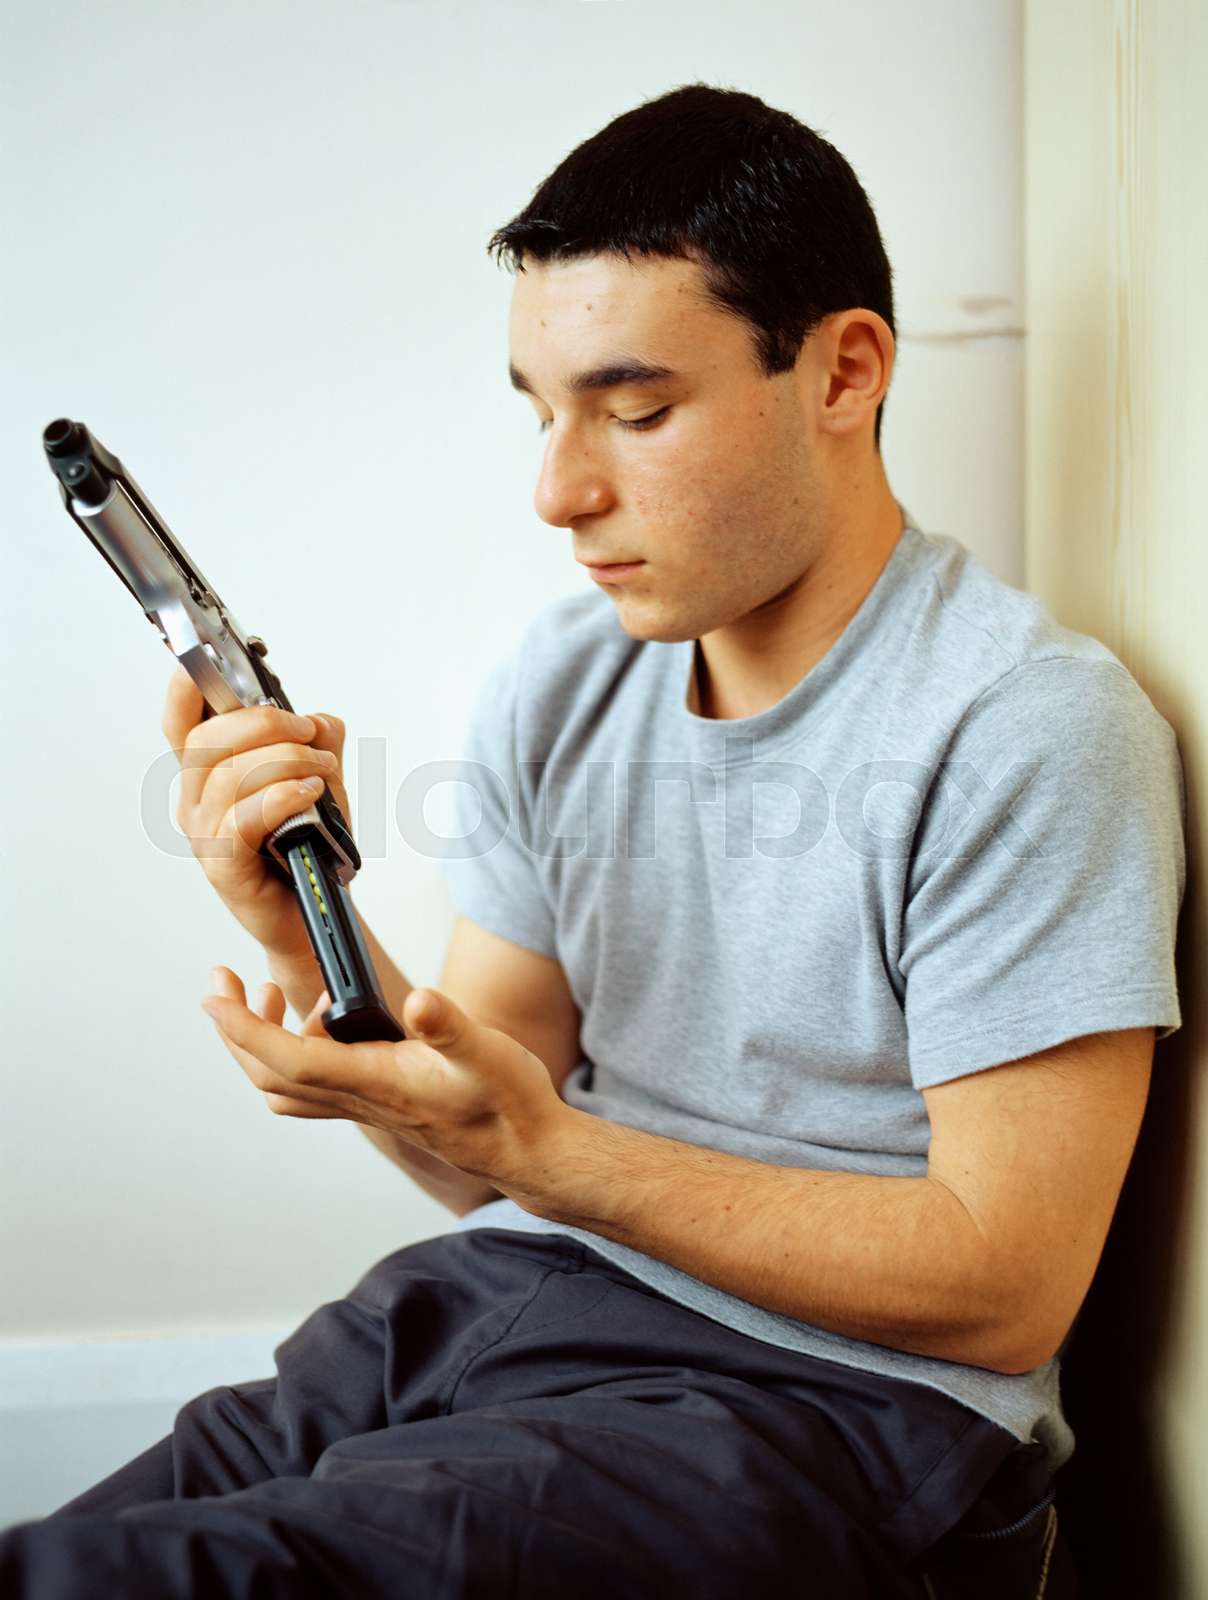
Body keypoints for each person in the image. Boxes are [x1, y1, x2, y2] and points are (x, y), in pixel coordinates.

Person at [2, 82, 1181, 1598]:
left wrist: (549, 1152)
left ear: (846, 371)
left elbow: (1008, 1286)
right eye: (543, 412)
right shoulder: (566, 676)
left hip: (828, 1408)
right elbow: (480, 1147)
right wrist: (311, 940)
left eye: (636, 411)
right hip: (498, 1302)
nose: (560, 490)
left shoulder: (1023, 724)